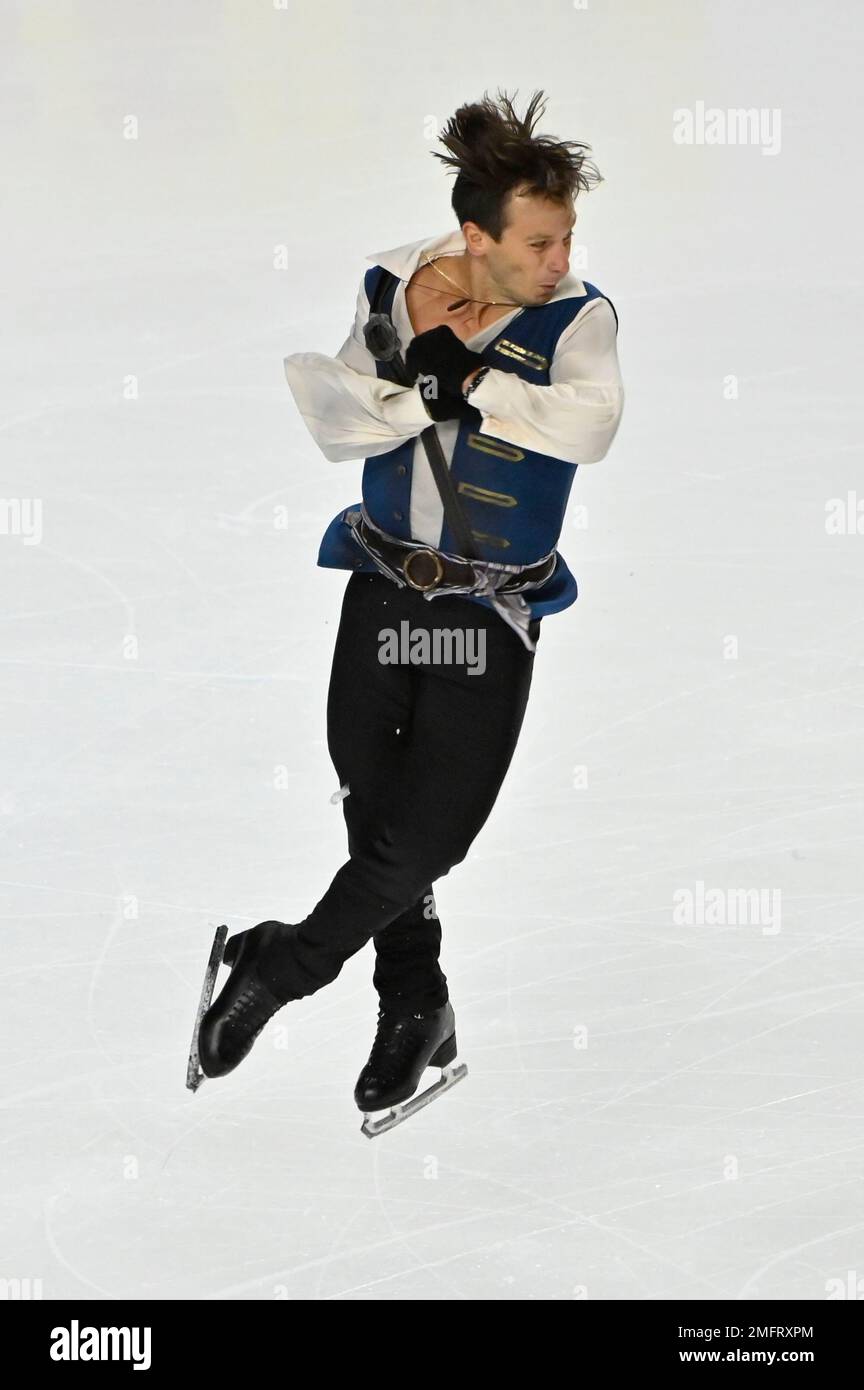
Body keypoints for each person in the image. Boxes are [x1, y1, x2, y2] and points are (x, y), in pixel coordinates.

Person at [194, 88, 624, 1128]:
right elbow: (340, 413)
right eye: (538, 241)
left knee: (422, 841)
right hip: (383, 586)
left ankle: (279, 969)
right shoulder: (395, 283)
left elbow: (589, 425)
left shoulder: (579, 319)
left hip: (485, 613)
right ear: (478, 236)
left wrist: (470, 384)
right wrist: (416, 390)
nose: (559, 259)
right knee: (375, 810)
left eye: (567, 237)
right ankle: (415, 1000)